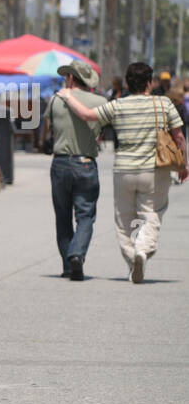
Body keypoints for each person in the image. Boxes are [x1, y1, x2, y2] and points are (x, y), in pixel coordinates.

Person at [58, 61, 188, 282]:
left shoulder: (118, 105)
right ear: (149, 83)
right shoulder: (164, 103)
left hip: (124, 171)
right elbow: (179, 137)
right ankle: (142, 250)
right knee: (152, 213)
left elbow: (87, 115)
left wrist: (68, 96)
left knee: (124, 219)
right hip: (154, 170)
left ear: (128, 83)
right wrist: (184, 164)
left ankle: (132, 259)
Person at [41, 61, 107, 280]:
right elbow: (103, 131)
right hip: (86, 162)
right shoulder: (100, 102)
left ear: (70, 78)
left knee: (62, 217)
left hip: (60, 163)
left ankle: (68, 267)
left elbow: (47, 130)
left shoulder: (56, 100)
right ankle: (77, 254)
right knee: (85, 215)